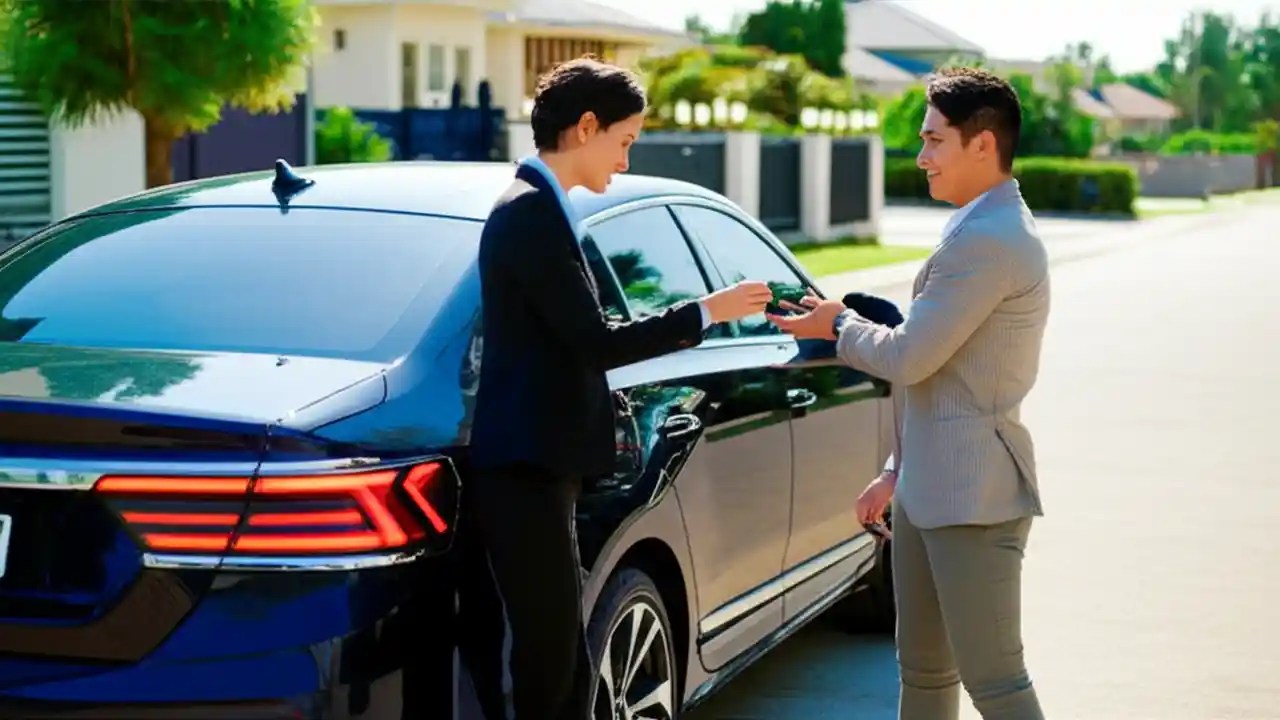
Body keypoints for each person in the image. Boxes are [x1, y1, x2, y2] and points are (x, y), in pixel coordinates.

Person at [464, 57, 774, 720]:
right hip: (523, 469)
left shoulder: (541, 208)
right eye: (625, 141)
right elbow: (597, 341)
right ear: (584, 128)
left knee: (566, 657)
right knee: (549, 661)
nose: (626, 162)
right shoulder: (527, 214)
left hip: (541, 468)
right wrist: (704, 312)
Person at [768, 66, 1049, 720]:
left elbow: (910, 356)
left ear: (983, 144)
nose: (920, 157)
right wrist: (897, 469)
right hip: (930, 489)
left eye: (933, 140)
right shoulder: (978, 228)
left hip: (973, 499)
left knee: (997, 682)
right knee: (924, 675)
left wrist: (836, 323)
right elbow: (944, 373)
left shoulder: (990, 240)